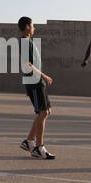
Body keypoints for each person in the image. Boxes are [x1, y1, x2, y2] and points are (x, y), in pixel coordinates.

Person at [17, 16, 55, 159]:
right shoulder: (25, 42)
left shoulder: (28, 41)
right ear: (27, 26)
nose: (34, 28)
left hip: (38, 82)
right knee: (42, 113)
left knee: (45, 112)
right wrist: (44, 75)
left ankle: (29, 141)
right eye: (33, 25)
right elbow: (27, 65)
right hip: (35, 82)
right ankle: (39, 147)